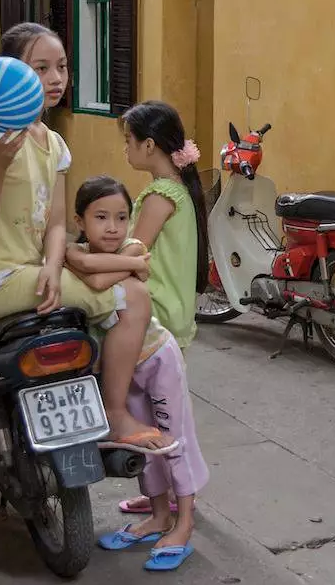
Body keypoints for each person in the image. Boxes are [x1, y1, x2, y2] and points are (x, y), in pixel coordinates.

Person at [0, 22, 171, 453]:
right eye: (40, 68)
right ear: (12, 73)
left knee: (127, 291)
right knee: (136, 299)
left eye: (61, 67)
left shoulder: (54, 144)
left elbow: (58, 224)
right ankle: (116, 413)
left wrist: (51, 263)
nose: (55, 78)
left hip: (36, 274)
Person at [69, 176, 209, 572]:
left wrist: (101, 262)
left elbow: (94, 277)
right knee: (141, 442)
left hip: (158, 360)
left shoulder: (134, 245)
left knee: (174, 440)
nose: (112, 227)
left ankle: (185, 522)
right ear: (80, 220)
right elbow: (86, 266)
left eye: (121, 217)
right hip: (123, 369)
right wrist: (127, 268)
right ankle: (159, 516)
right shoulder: (104, 254)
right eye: (100, 217)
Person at [113, 101, 211, 516]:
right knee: (163, 409)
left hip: (156, 316)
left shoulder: (159, 195)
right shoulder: (179, 189)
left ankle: (168, 497)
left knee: (152, 412)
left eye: (128, 142)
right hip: (175, 312)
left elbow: (132, 253)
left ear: (149, 144)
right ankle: (165, 494)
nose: (126, 150)